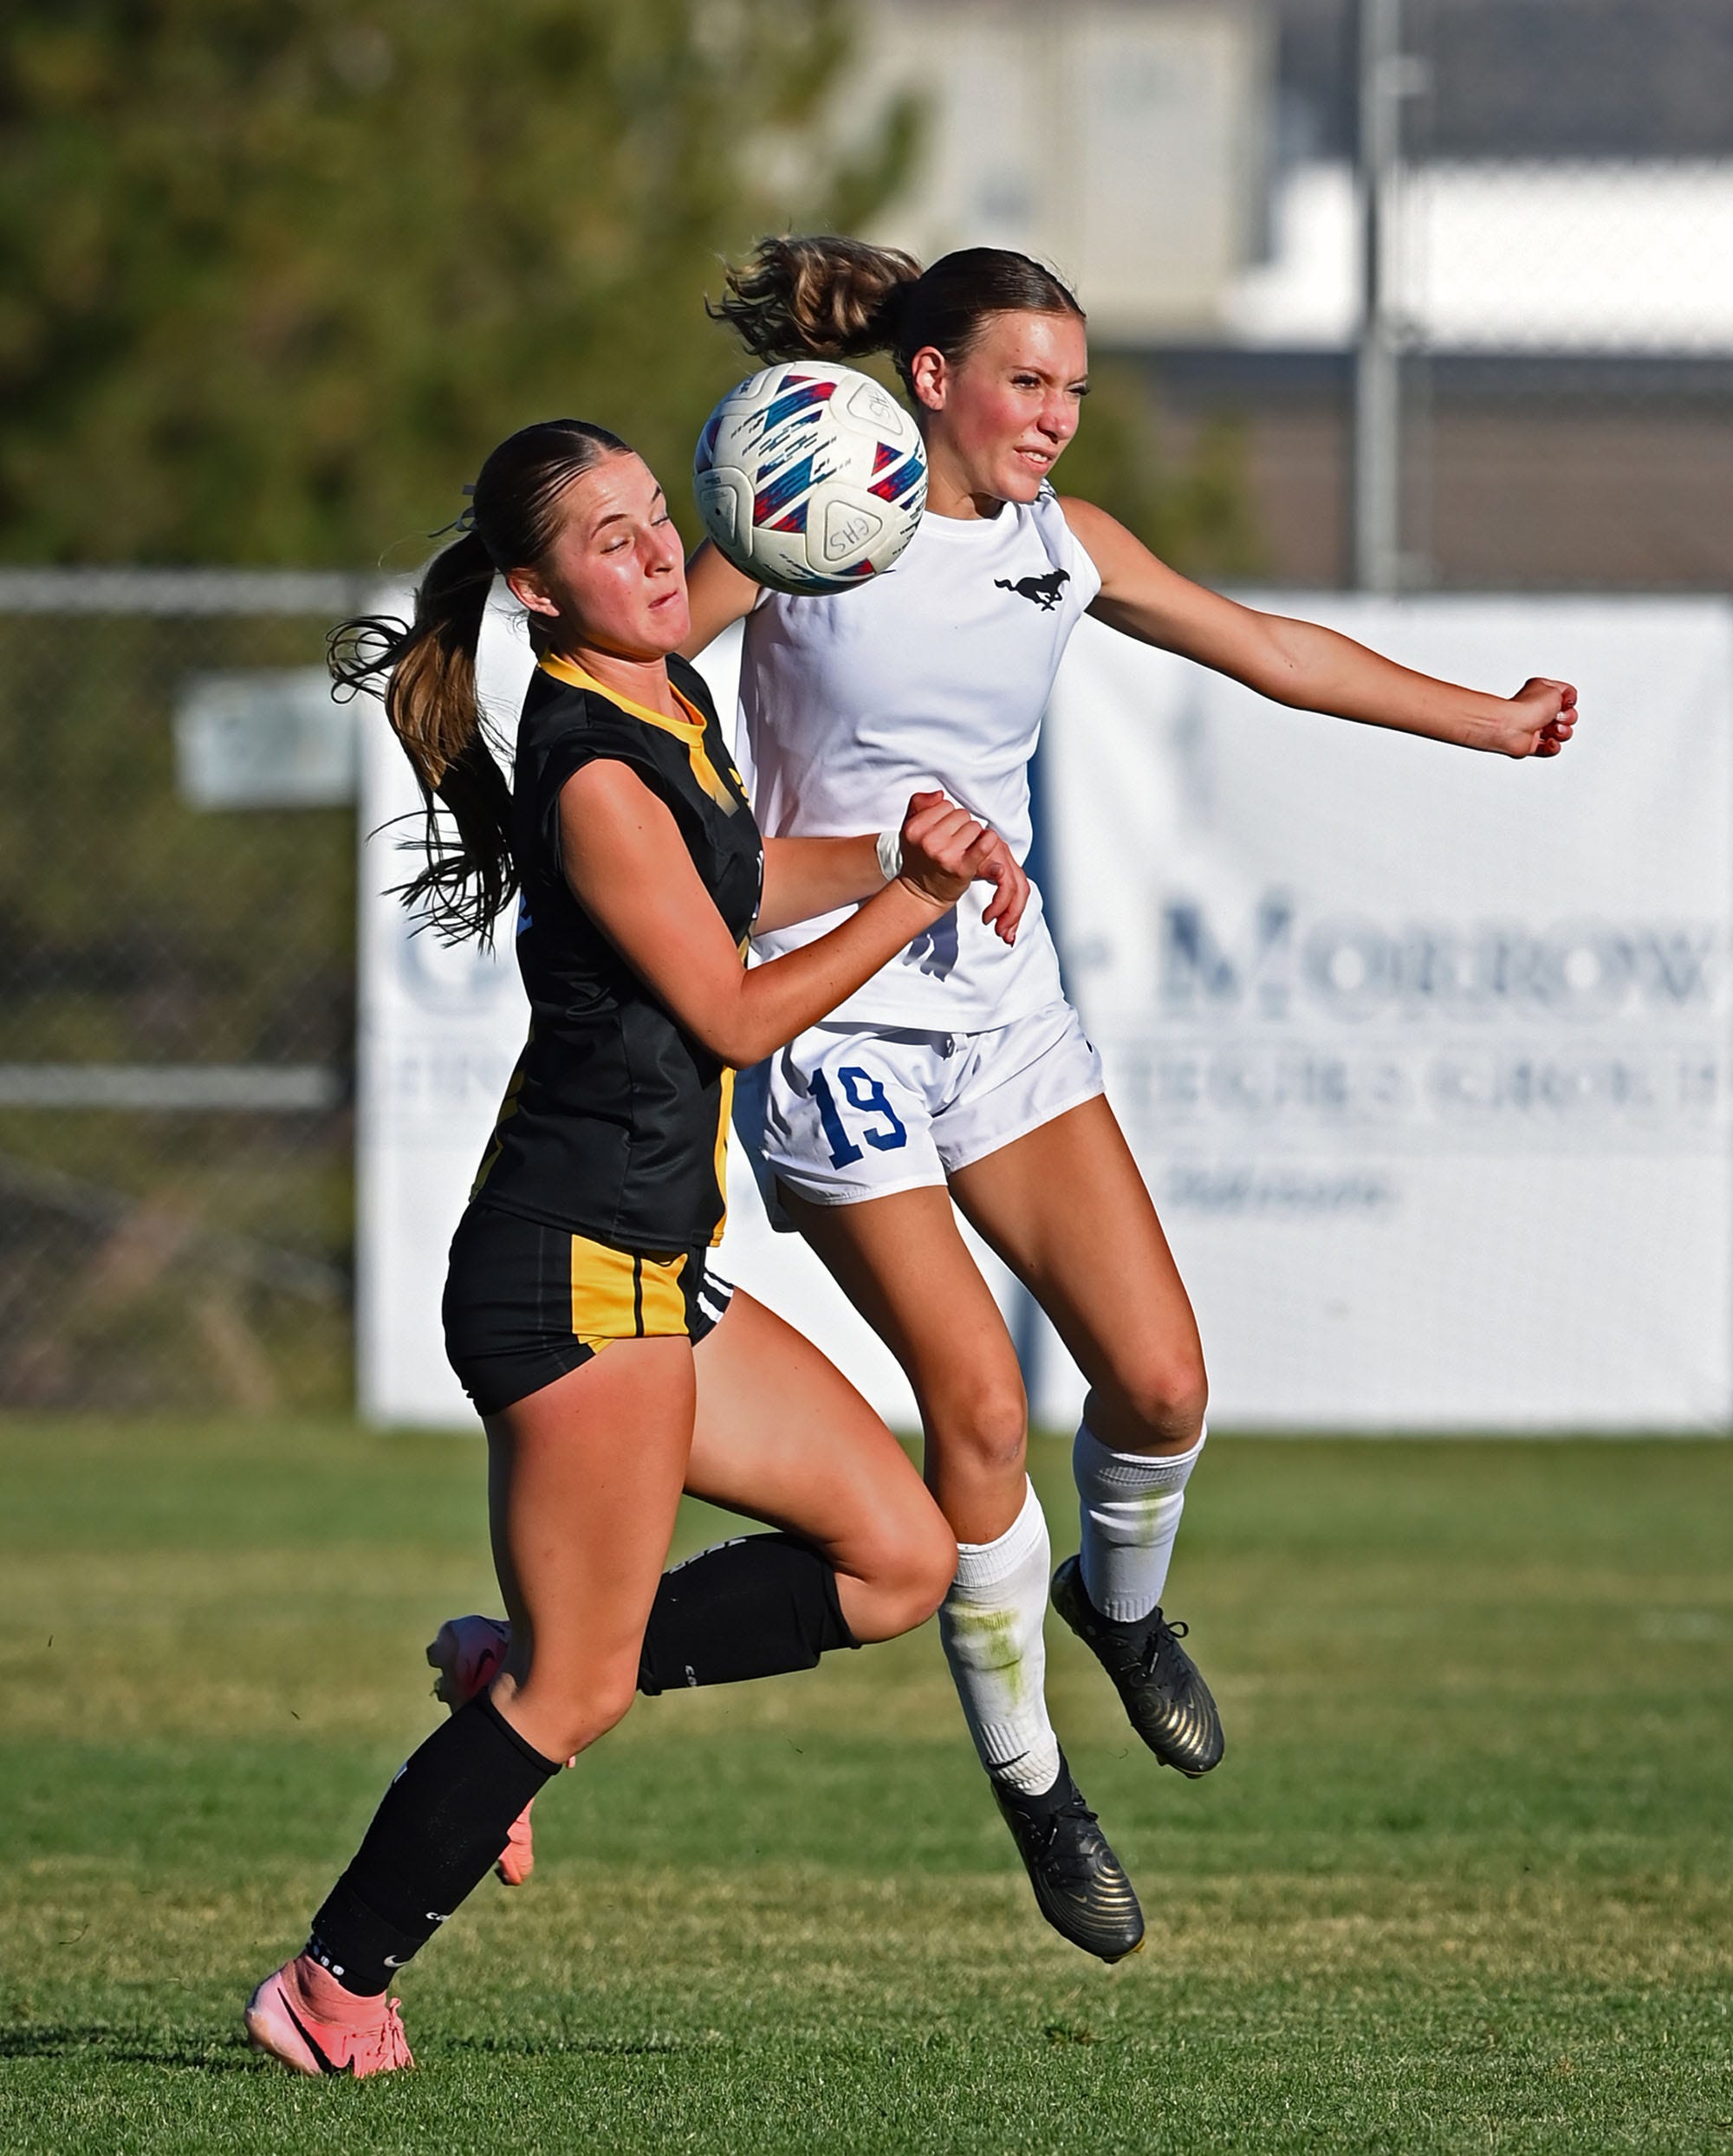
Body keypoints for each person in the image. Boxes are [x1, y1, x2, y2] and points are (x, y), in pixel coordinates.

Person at [659, 237, 1574, 1957]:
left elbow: (1267, 648)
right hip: (837, 1028)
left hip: (1002, 1014)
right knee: (982, 1421)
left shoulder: (1058, 549)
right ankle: (1035, 1786)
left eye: (1072, 386)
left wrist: (1490, 719)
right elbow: (625, 651)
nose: (1057, 418)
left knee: (1159, 1380)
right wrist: (509, 637)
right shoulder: (810, 523)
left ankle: (1117, 1604)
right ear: (928, 379)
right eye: (1027, 381)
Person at [244, 417, 1038, 2077]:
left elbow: (731, 887)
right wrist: (907, 906)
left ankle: (523, 1664)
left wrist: (899, 852)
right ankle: (333, 1984)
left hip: (656, 1268)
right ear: (538, 593)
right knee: (574, 1702)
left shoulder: (666, 693)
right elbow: (734, 1005)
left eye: (653, 517)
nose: (659, 549)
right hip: (572, 1273)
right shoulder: (593, 762)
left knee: (899, 1558)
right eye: (609, 539)